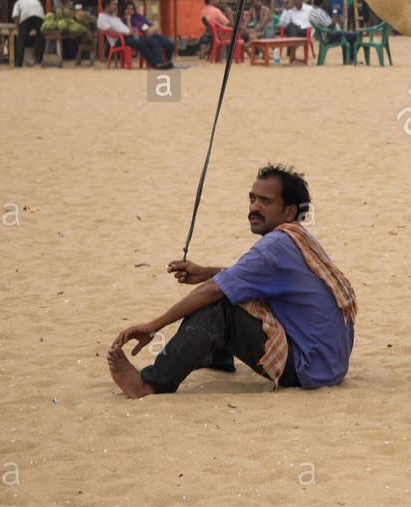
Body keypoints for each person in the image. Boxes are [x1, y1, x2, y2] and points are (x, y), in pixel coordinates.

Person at [107, 165, 356, 398]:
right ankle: (217, 357)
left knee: (218, 305)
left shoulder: (274, 246)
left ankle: (151, 384)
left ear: (289, 211)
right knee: (234, 290)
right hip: (331, 365)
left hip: (309, 369)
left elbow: (216, 289)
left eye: (265, 201)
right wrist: (206, 272)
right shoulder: (298, 237)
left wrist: (153, 325)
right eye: (252, 198)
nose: (254, 207)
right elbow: (249, 277)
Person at [98, 0, 170, 68]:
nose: (115, 6)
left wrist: (132, 31)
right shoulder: (102, 18)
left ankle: (161, 62)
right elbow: (110, 31)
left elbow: (128, 29)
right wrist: (126, 33)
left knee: (153, 41)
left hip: (130, 36)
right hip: (119, 40)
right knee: (139, 43)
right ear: (107, 6)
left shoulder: (114, 17)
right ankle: (155, 64)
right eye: (113, 4)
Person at [121, 0, 176, 66]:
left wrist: (150, 30)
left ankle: (168, 61)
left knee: (170, 44)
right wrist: (128, 19)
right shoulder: (123, 20)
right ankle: (160, 62)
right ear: (124, 10)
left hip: (151, 34)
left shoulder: (138, 16)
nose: (130, 11)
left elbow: (151, 25)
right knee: (154, 42)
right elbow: (129, 31)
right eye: (127, 9)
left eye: (132, 9)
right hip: (141, 38)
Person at [11, 0, 45, 68]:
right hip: (40, 16)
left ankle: (19, 62)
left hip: (26, 16)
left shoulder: (18, 2)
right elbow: (41, 10)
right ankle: (39, 59)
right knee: (41, 36)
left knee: (21, 40)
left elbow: (16, 16)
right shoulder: (36, 0)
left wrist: (19, 28)